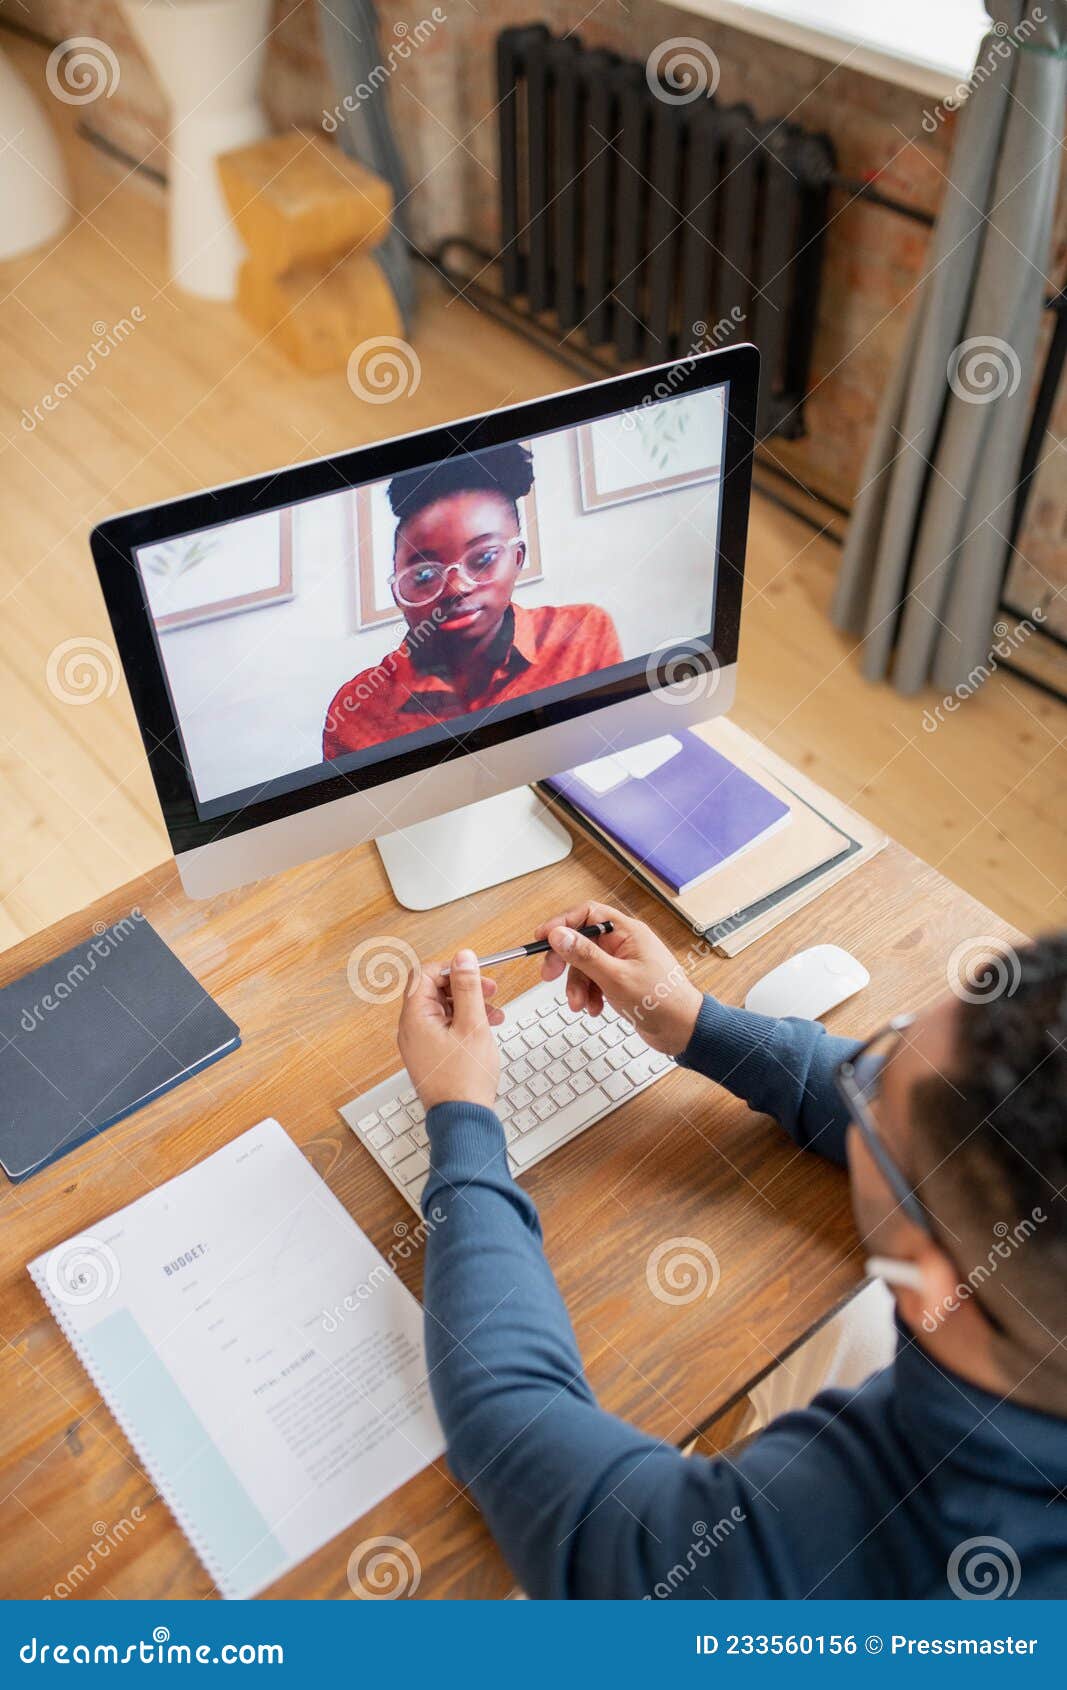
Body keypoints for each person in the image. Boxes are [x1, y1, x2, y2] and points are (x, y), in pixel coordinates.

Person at [396, 907, 1067, 1598]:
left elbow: (517, 1431)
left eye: (870, 1084)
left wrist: (460, 1117)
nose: (851, 1070)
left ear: (928, 1285)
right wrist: (694, 1021)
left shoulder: (853, 1548)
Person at [323, 445, 622, 758]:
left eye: (483, 558)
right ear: (397, 591)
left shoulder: (583, 636)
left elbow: (615, 764)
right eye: (424, 575)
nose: (456, 587)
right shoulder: (357, 712)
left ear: (518, 560)